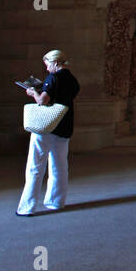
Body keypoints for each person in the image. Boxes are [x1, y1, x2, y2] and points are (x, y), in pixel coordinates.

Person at [17, 49, 81, 216]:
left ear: (55, 63)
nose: (46, 69)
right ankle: (56, 202)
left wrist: (33, 92)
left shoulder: (53, 78)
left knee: (35, 166)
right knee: (59, 166)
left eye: (47, 65)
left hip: (46, 126)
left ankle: (27, 207)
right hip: (65, 125)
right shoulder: (72, 79)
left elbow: (43, 101)